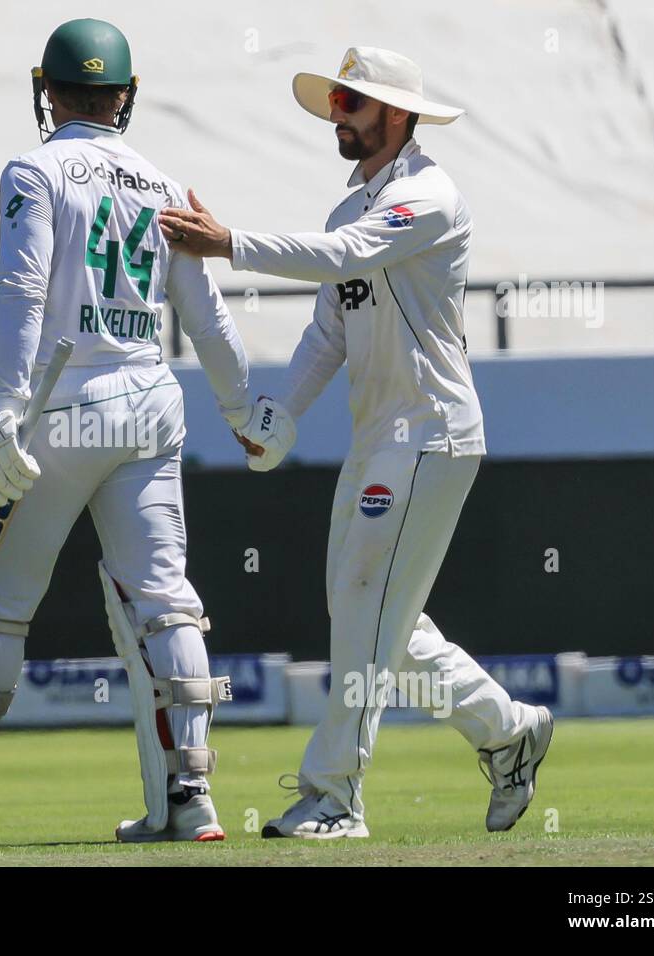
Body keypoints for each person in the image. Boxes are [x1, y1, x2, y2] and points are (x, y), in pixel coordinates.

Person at [0, 18, 257, 844]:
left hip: (62, 409)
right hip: (151, 404)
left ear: (47, 91)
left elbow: (23, 291)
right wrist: (250, 414)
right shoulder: (166, 185)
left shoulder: (33, 171)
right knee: (167, 604)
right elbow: (207, 319)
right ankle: (189, 800)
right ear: (126, 97)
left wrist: (5, 405)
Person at [159, 47, 554, 840]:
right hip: (381, 440)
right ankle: (509, 730)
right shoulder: (351, 210)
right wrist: (278, 417)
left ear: (398, 116)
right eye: (337, 101)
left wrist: (229, 242)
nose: (339, 115)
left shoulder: (430, 197)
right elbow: (328, 332)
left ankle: (334, 797)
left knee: (368, 612)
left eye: (353, 102)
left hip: (432, 434)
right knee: (380, 623)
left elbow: (342, 259)